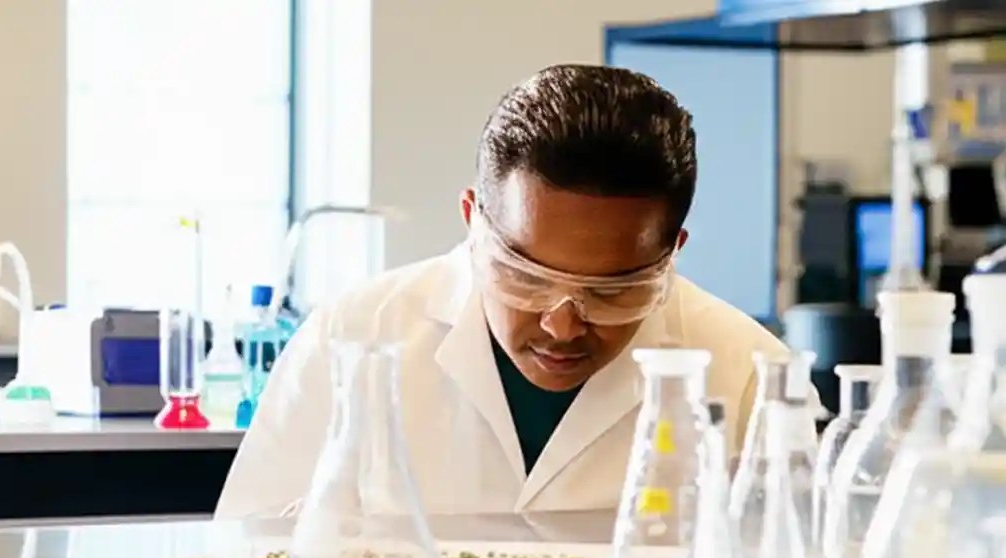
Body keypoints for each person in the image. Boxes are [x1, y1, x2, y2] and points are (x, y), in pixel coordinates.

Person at [216, 64, 792, 518]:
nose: (562, 326)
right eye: (527, 277)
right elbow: (246, 555)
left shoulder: (747, 371)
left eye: (614, 290)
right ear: (473, 221)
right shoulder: (353, 334)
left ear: (670, 255)